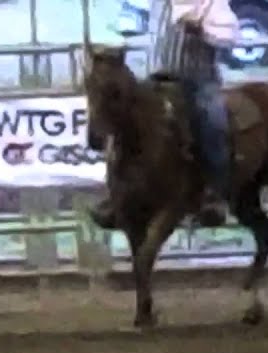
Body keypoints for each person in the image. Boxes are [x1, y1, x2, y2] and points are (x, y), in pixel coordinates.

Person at [89, 0, 238, 229]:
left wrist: (204, 31)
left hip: (197, 79)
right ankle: (116, 193)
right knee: (124, 120)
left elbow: (228, 35)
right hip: (157, 78)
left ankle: (214, 194)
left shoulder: (211, 4)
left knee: (212, 122)